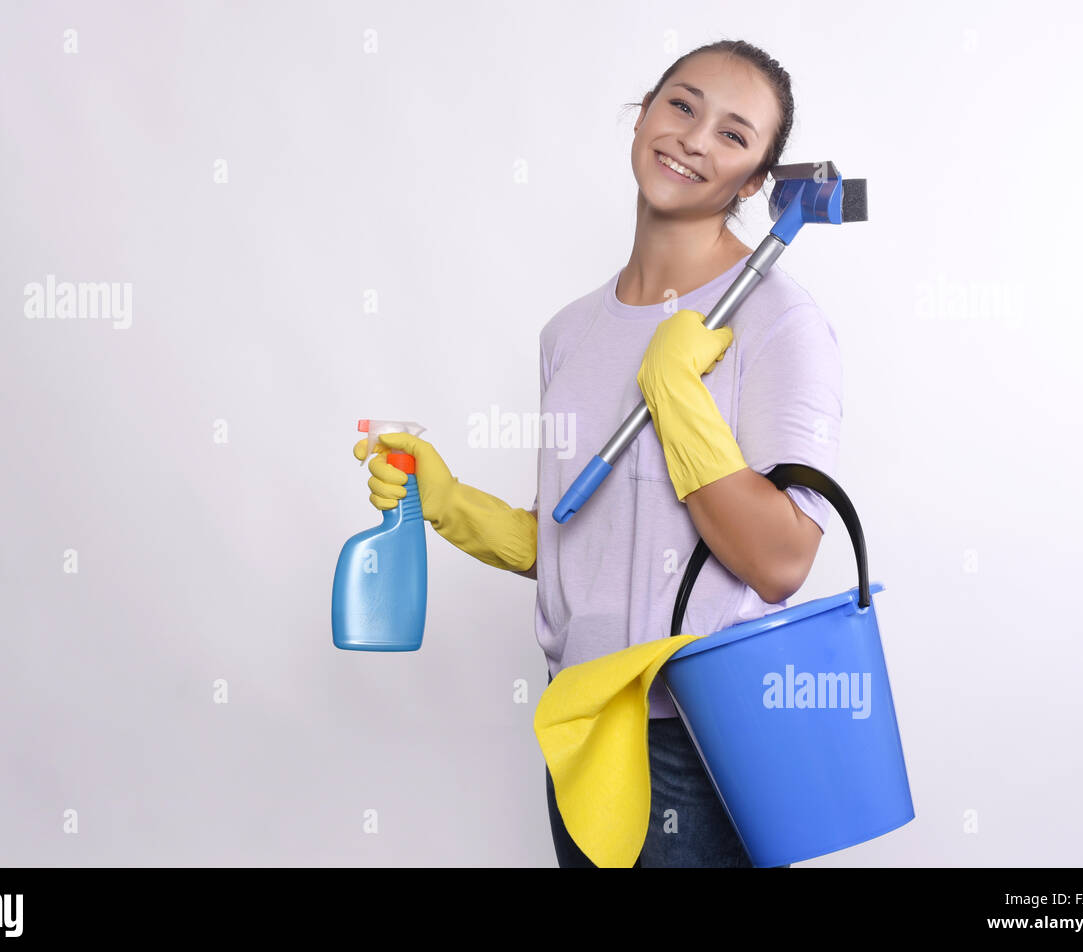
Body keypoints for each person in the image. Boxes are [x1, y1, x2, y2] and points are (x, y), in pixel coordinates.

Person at [353, 39, 842, 868]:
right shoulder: (570, 333)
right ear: (645, 111)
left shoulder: (777, 322)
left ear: (758, 181)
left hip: (701, 742)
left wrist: (675, 389)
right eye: (682, 105)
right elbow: (581, 538)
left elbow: (781, 559)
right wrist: (450, 503)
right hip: (579, 725)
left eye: (733, 134)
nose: (693, 138)